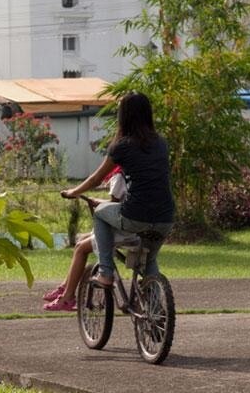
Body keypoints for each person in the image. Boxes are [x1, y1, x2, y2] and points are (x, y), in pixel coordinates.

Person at [59, 92, 174, 292]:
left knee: (101, 213)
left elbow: (95, 179)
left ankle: (105, 272)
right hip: (165, 216)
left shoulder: (122, 146)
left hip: (136, 214)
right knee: (149, 261)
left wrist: (73, 192)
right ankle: (158, 315)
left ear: (123, 116)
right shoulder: (161, 143)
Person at [41, 167, 126, 312]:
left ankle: (68, 297)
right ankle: (66, 286)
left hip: (122, 225)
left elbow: (114, 203)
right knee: (83, 238)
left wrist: (92, 199)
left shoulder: (119, 176)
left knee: (81, 248)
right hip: (130, 222)